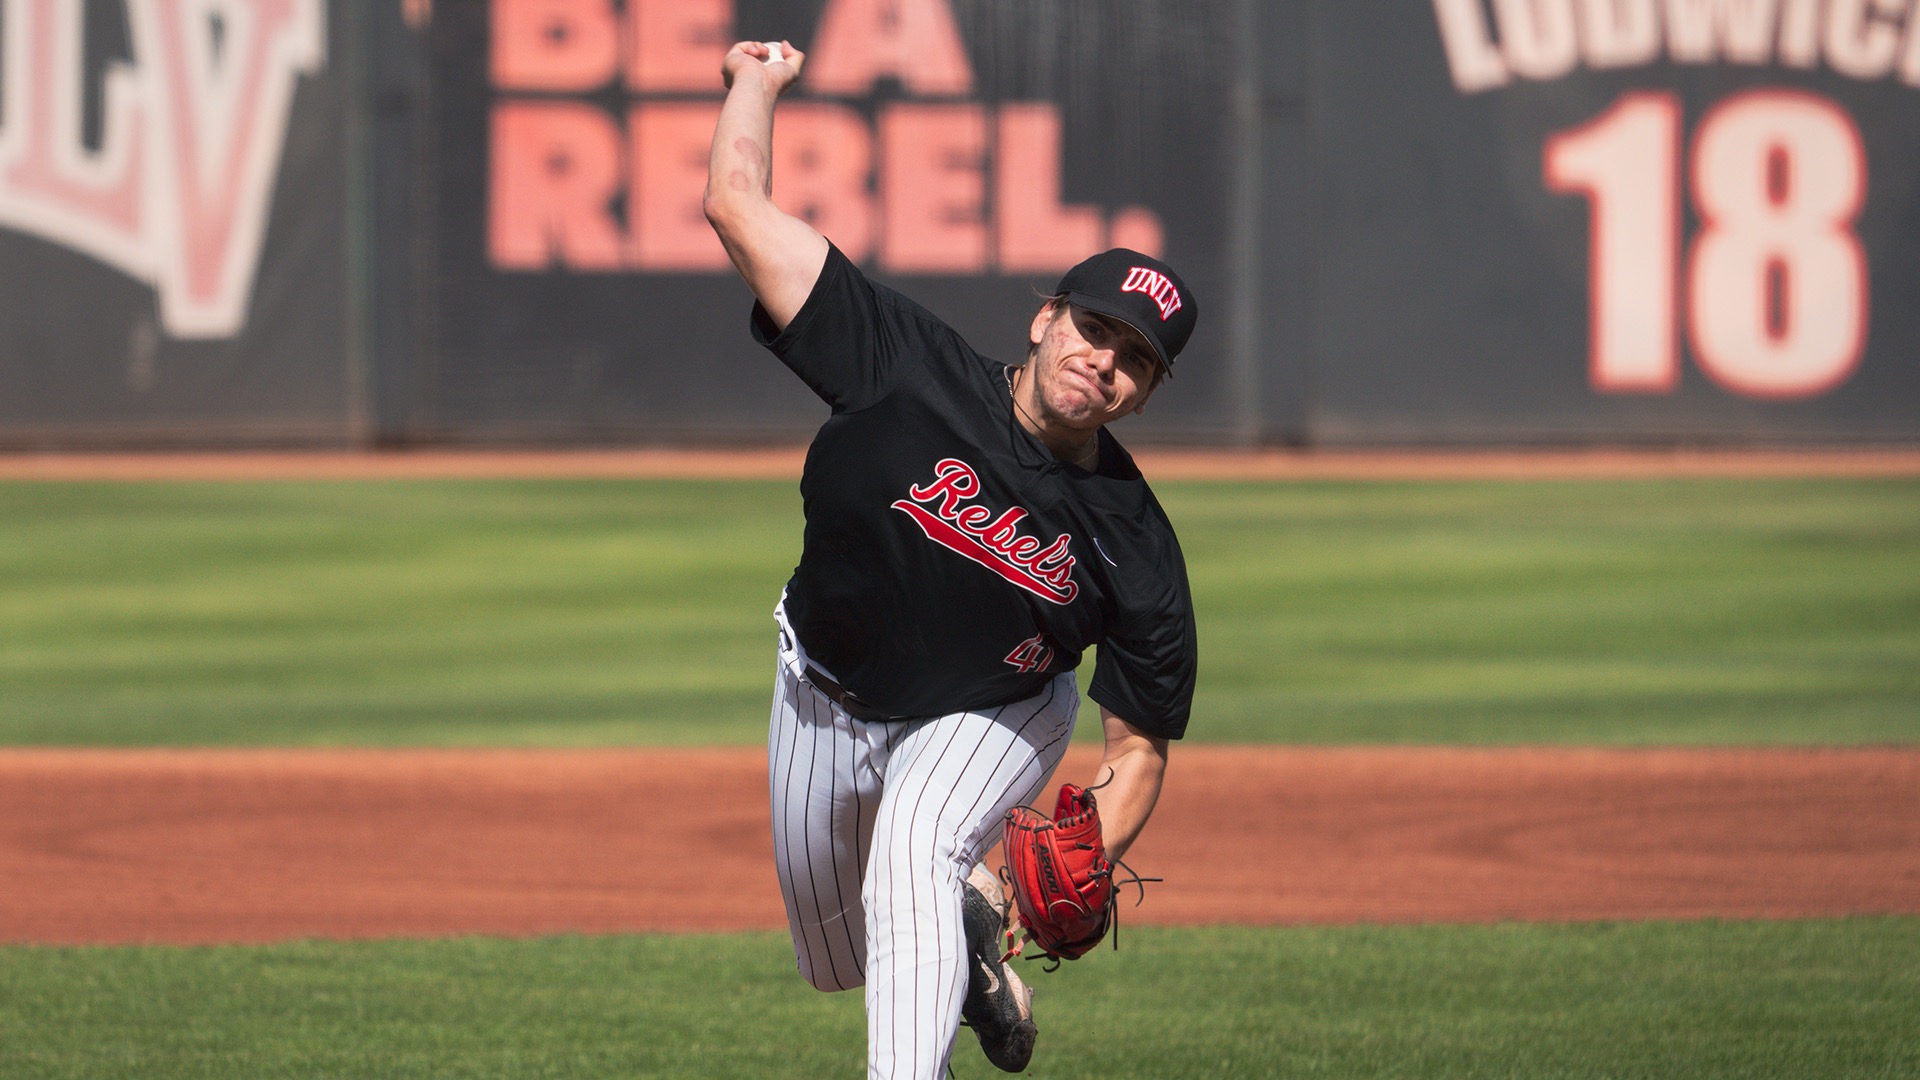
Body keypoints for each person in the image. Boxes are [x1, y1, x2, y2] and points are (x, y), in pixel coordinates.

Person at [704, 38, 1199, 1079]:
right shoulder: (899, 362)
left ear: (1144, 394)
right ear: (1045, 316)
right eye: (1094, 328)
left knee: (915, 860)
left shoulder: (1135, 541)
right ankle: (965, 951)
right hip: (822, 691)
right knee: (842, 962)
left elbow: (1141, 742)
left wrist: (1089, 847)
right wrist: (755, 82)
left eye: (1133, 360)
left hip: (991, 708)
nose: (1102, 361)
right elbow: (737, 207)